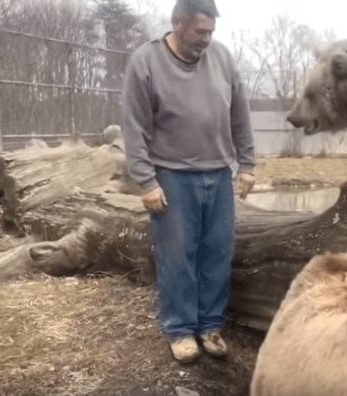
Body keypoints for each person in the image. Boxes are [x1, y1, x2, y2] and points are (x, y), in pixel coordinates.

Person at [121, 0, 255, 363]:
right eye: (200, 32)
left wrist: (247, 164)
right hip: (172, 176)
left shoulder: (222, 58)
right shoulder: (146, 62)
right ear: (178, 23)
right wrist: (146, 181)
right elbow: (134, 129)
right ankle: (180, 329)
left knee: (218, 253)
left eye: (211, 32)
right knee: (177, 257)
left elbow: (240, 114)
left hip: (219, 173)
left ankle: (210, 325)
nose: (206, 40)